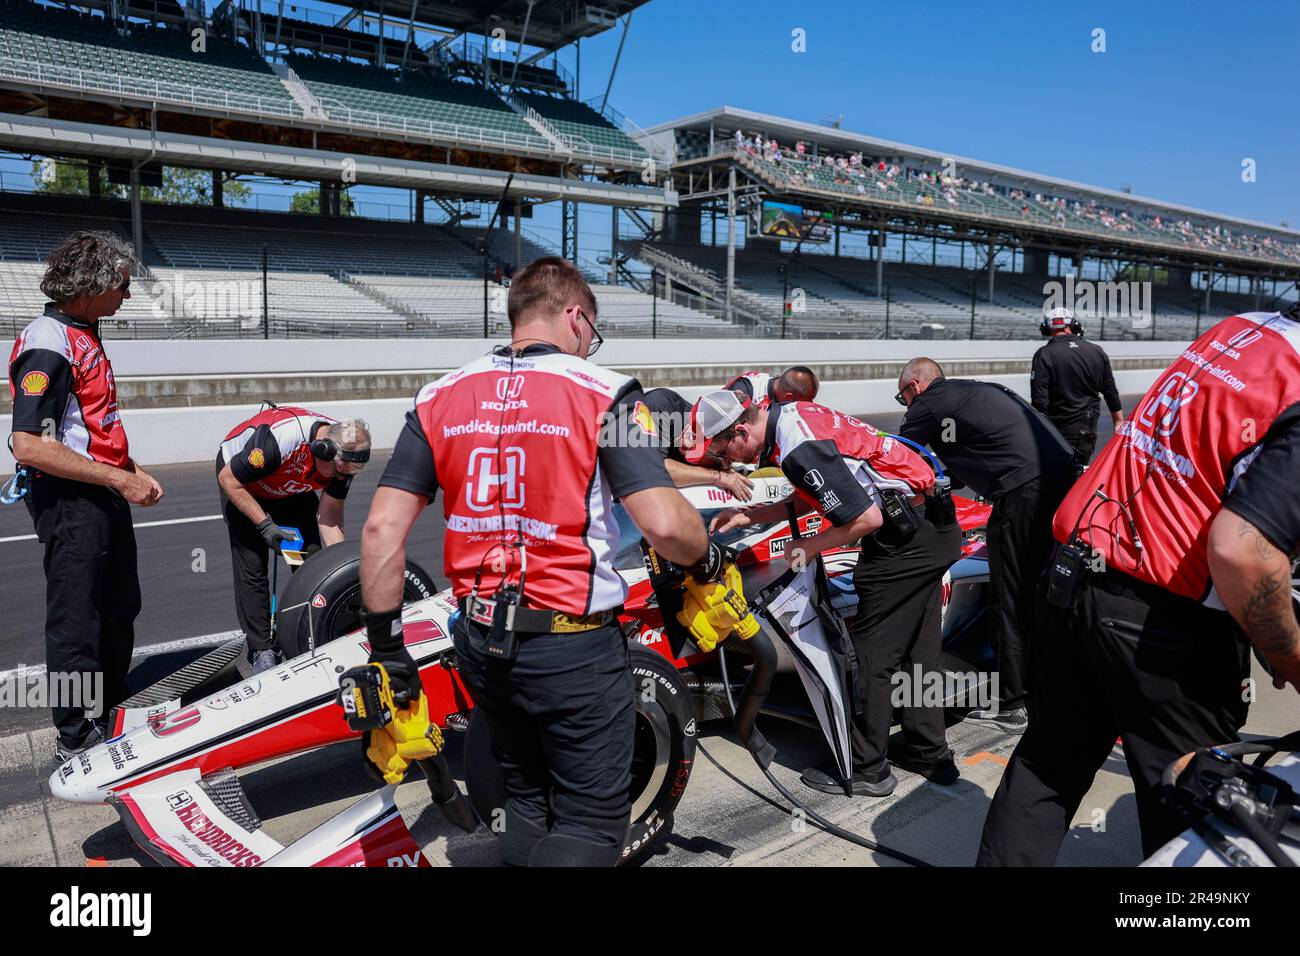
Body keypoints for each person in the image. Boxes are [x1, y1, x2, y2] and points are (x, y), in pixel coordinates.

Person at [358, 257, 719, 867]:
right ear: (575, 316)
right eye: (592, 332)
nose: (591, 346)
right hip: (571, 647)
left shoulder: (438, 396)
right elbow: (664, 523)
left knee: (526, 800)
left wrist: (387, 648)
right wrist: (708, 561)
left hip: (478, 639)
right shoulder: (607, 393)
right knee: (591, 824)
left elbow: (380, 528)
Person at [977, 307, 1300, 865]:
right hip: (1162, 619)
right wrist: (1291, 656)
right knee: (1194, 801)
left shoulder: (1241, 328)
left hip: (1074, 571)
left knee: (1045, 766)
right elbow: (1241, 551)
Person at [706, 391, 962, 795]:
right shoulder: (793, 415)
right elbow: (823, 494)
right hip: (932, 528)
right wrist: (749, 515)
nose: (729, 461)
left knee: (872, 655)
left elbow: (864, 516)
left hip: (902, 538)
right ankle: (930, 751)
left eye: (724, 450)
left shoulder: (795, 445)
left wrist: (809, 547)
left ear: (740, 429)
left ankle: (867, 769)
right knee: (919, 648)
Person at [7, 231, 163, 760]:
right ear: (91, 285)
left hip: (102, 490)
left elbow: (88, 424)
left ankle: (111, 707)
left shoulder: (86, 328)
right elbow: (28, 444)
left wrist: (131, 467)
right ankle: (74, 737)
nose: (127, 293)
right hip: (72, 501)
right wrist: (120, 479)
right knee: (78, 618)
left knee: (120, 605)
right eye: (121, 284)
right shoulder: (47, 340)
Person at [897, 358, 1075, 733]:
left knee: (1008, 595)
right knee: (1040, 591)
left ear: (915, 386)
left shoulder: (929, 403)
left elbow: (898, 458)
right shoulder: (974, 391)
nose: (907, 406)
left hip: (1023, 492)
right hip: (1062, 485)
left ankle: (1012, 704)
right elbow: (960, 470)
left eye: (904, 398)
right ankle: (1044, 685)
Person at [216, 407, 371, 673]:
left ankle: (321, 625)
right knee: (252, 563)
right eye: (338, 472)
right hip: (245, 483)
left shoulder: (346, 452)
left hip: (290, 486)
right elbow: (228, 480)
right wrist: (265, 525)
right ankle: (261, 648)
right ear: (321, 450)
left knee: (312, 561)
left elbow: (330, 516)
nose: (341, 479)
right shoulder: (277, 442)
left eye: (348, 474)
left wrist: (341, 573)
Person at [1031, 306, 1123, 463]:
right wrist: (1119, 421)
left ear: (1047, 328)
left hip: (1057, 429)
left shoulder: (1044, 354)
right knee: (1079, 473)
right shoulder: (1096, 351)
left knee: (1056, 478)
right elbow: (1110, 390)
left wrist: (1040, 432)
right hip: (1086, 428)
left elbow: (1040, 400)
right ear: (1073, 325)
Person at [639, 386, 754, 501]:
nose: (725, 465)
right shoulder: (661, 405)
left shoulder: (714, 457)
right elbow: (652, 470)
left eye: (730, 462)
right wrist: (717, 476)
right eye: (724, 456)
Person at [725, 365, 820, 408]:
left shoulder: (779, 389)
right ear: (788, 398)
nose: (810, 405)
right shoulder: (745, 391)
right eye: (806, 402)